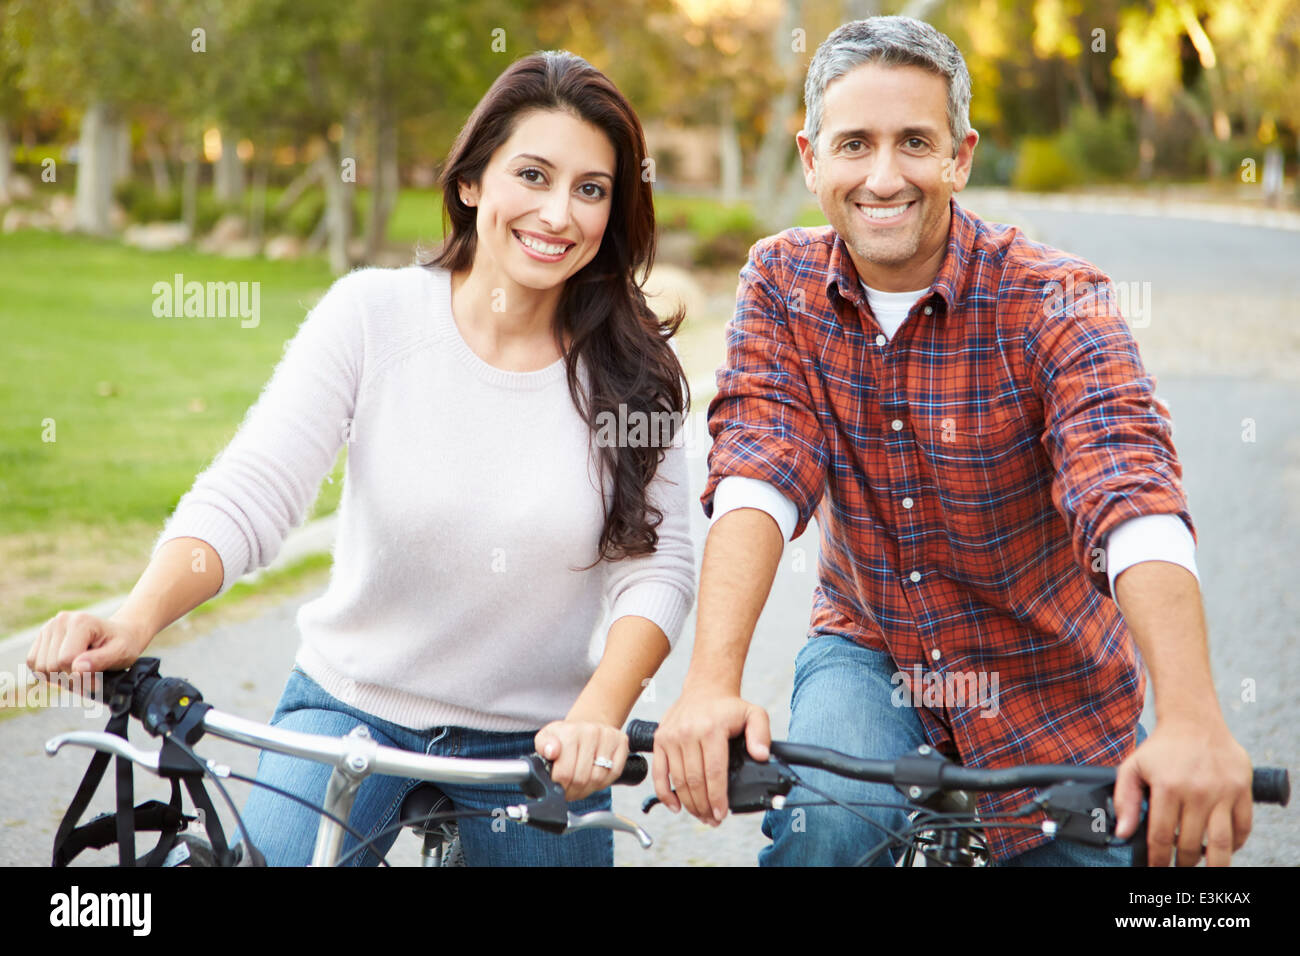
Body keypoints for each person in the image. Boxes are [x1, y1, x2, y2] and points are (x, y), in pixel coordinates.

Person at [26, 49, 695, 867]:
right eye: (533, 174)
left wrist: (601, 709)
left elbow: (654, 566)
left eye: (591, 190)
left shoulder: (636, 376)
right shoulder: (373, 315)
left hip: (541, 737)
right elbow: (253, 492)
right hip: (354, 710)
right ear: (470, 181)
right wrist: (135, 616)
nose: (559, 213)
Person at [651, 15, 1254, 867]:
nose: (884, 176)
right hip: (870, 649)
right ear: (811, 159)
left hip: (1048, 673)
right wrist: (709, 686)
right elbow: (760, 467)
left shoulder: (1058, 298)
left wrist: (1192, 719)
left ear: (960, 158)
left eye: (915, 142)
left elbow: (1128, 492)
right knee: (828, 830)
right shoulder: (779, 282)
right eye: (854, 144)